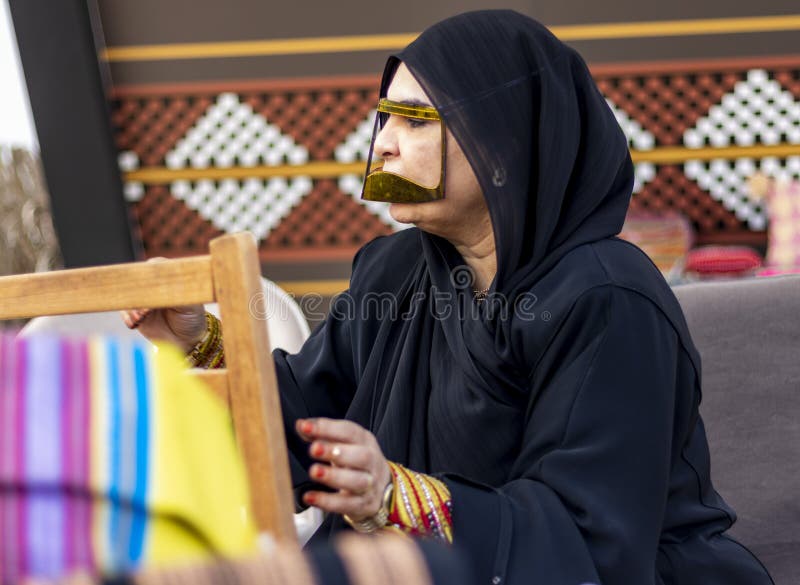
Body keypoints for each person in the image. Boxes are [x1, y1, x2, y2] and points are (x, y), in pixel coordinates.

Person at [124, 10, 772, 585]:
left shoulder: (609, 299)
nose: (382, 144)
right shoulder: (396, 271)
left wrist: (395, 497)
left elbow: (586, 537)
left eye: (414, 120)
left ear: (503, 141)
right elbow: (301, 418)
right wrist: (196, 343)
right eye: (383, 118)